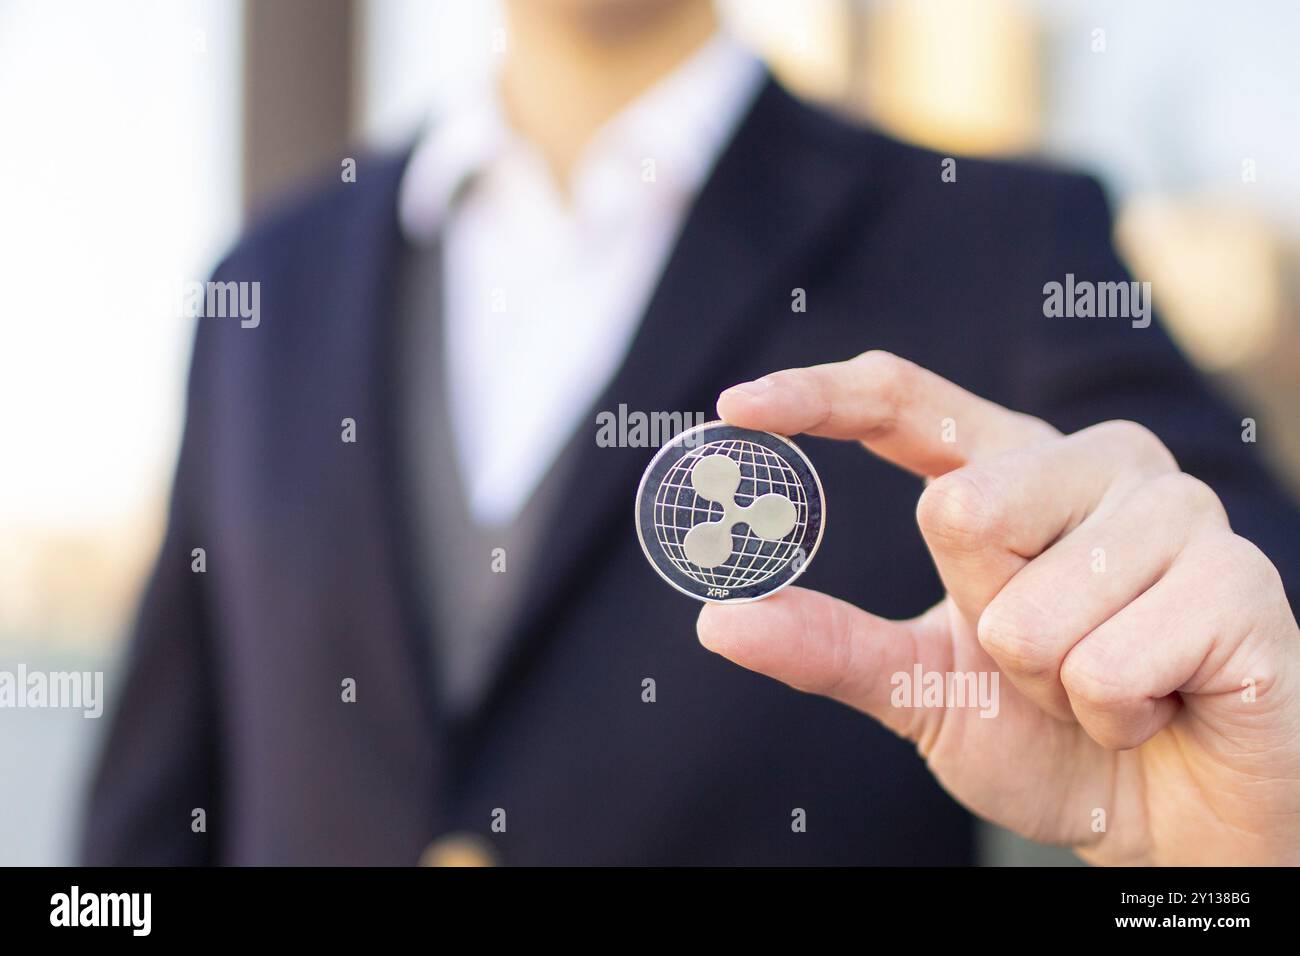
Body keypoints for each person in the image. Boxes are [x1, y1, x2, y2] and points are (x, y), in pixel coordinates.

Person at [83, 0, 1300, 865]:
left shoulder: (995, 242)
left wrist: (1244, 836)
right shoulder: (265, 286)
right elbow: (151, 805)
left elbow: (1246, 598)